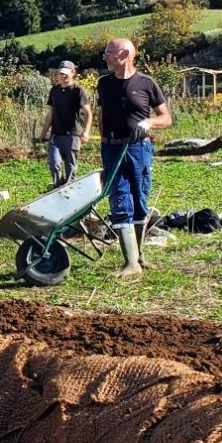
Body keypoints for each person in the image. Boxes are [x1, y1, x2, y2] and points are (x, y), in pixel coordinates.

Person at [96, 38, 173, 279]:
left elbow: (166, 118)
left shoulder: (146, 83)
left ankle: (139, 257)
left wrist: (149, 122)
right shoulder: (103, 83)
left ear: (124, 55)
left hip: (139, 149)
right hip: (112, 149)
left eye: (109, 53)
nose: (105, 57)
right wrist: (104, 141)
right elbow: (101, 116)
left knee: (140, 199)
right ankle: (130, 263)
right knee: (119, 200)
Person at [40, 60, 92, 188]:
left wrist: (86, 132)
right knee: (54, 163)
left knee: (70, 168)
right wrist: (43, 133)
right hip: (56, 135)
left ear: (73, 73)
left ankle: (69, 191)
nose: (62, 76)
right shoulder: (54, 91)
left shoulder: (78, 91)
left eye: (65, 74)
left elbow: (88, 113)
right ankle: (58, 189)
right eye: (60, 73)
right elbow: (50, 114)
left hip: (73, 135)